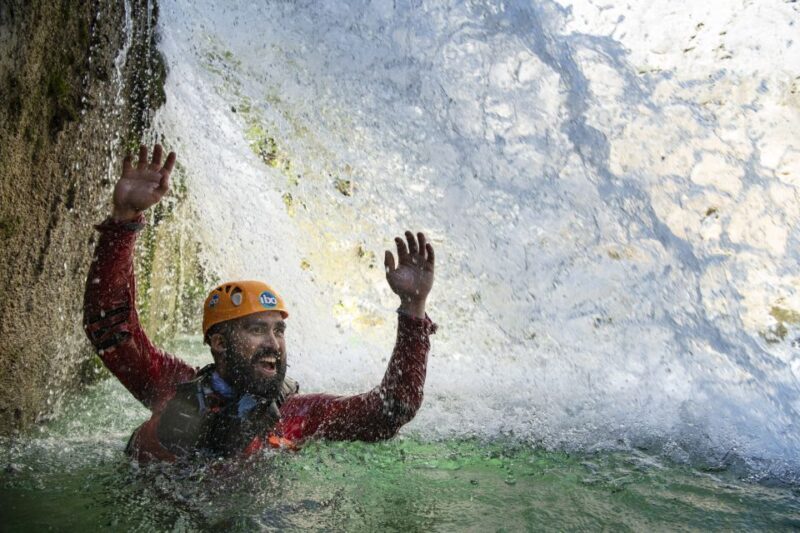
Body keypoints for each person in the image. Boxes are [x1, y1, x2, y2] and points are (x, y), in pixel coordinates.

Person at [83, 144, 437, 462]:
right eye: (256, 329)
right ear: (218, 343)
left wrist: (413, 310)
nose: (273, 342)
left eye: (278, 330)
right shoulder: (171, 387)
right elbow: (111, 329)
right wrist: (124, 219)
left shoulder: (297, 416)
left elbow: (390, 411)